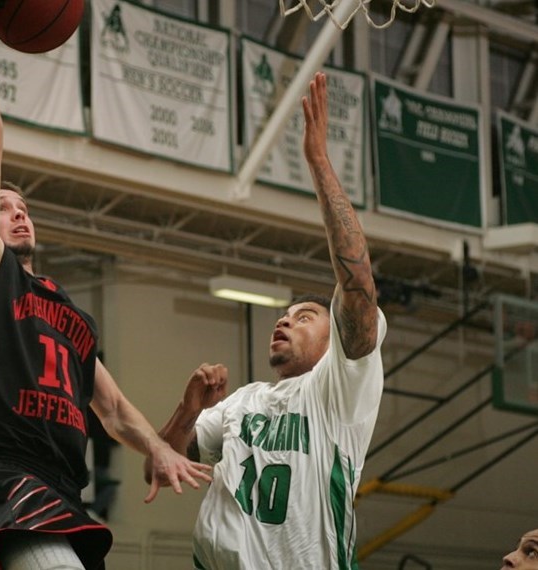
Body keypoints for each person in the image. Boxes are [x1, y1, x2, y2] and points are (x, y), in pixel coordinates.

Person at [0, 0, 211, 566]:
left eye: (24, 206)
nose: (18, 212)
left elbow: (112, 409)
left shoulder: (70, 316)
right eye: (2, 206)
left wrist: (158, 446)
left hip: (60, 487)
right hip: (2, 479)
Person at [148, 72, 387, 570]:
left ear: (336, 340)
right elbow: (159, 467)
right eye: (282, 317)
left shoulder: (339, 390)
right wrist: (187, 409)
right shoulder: (242, 402)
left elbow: (358, 281)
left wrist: (318, 162)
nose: (284, 322)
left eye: (304, 317)